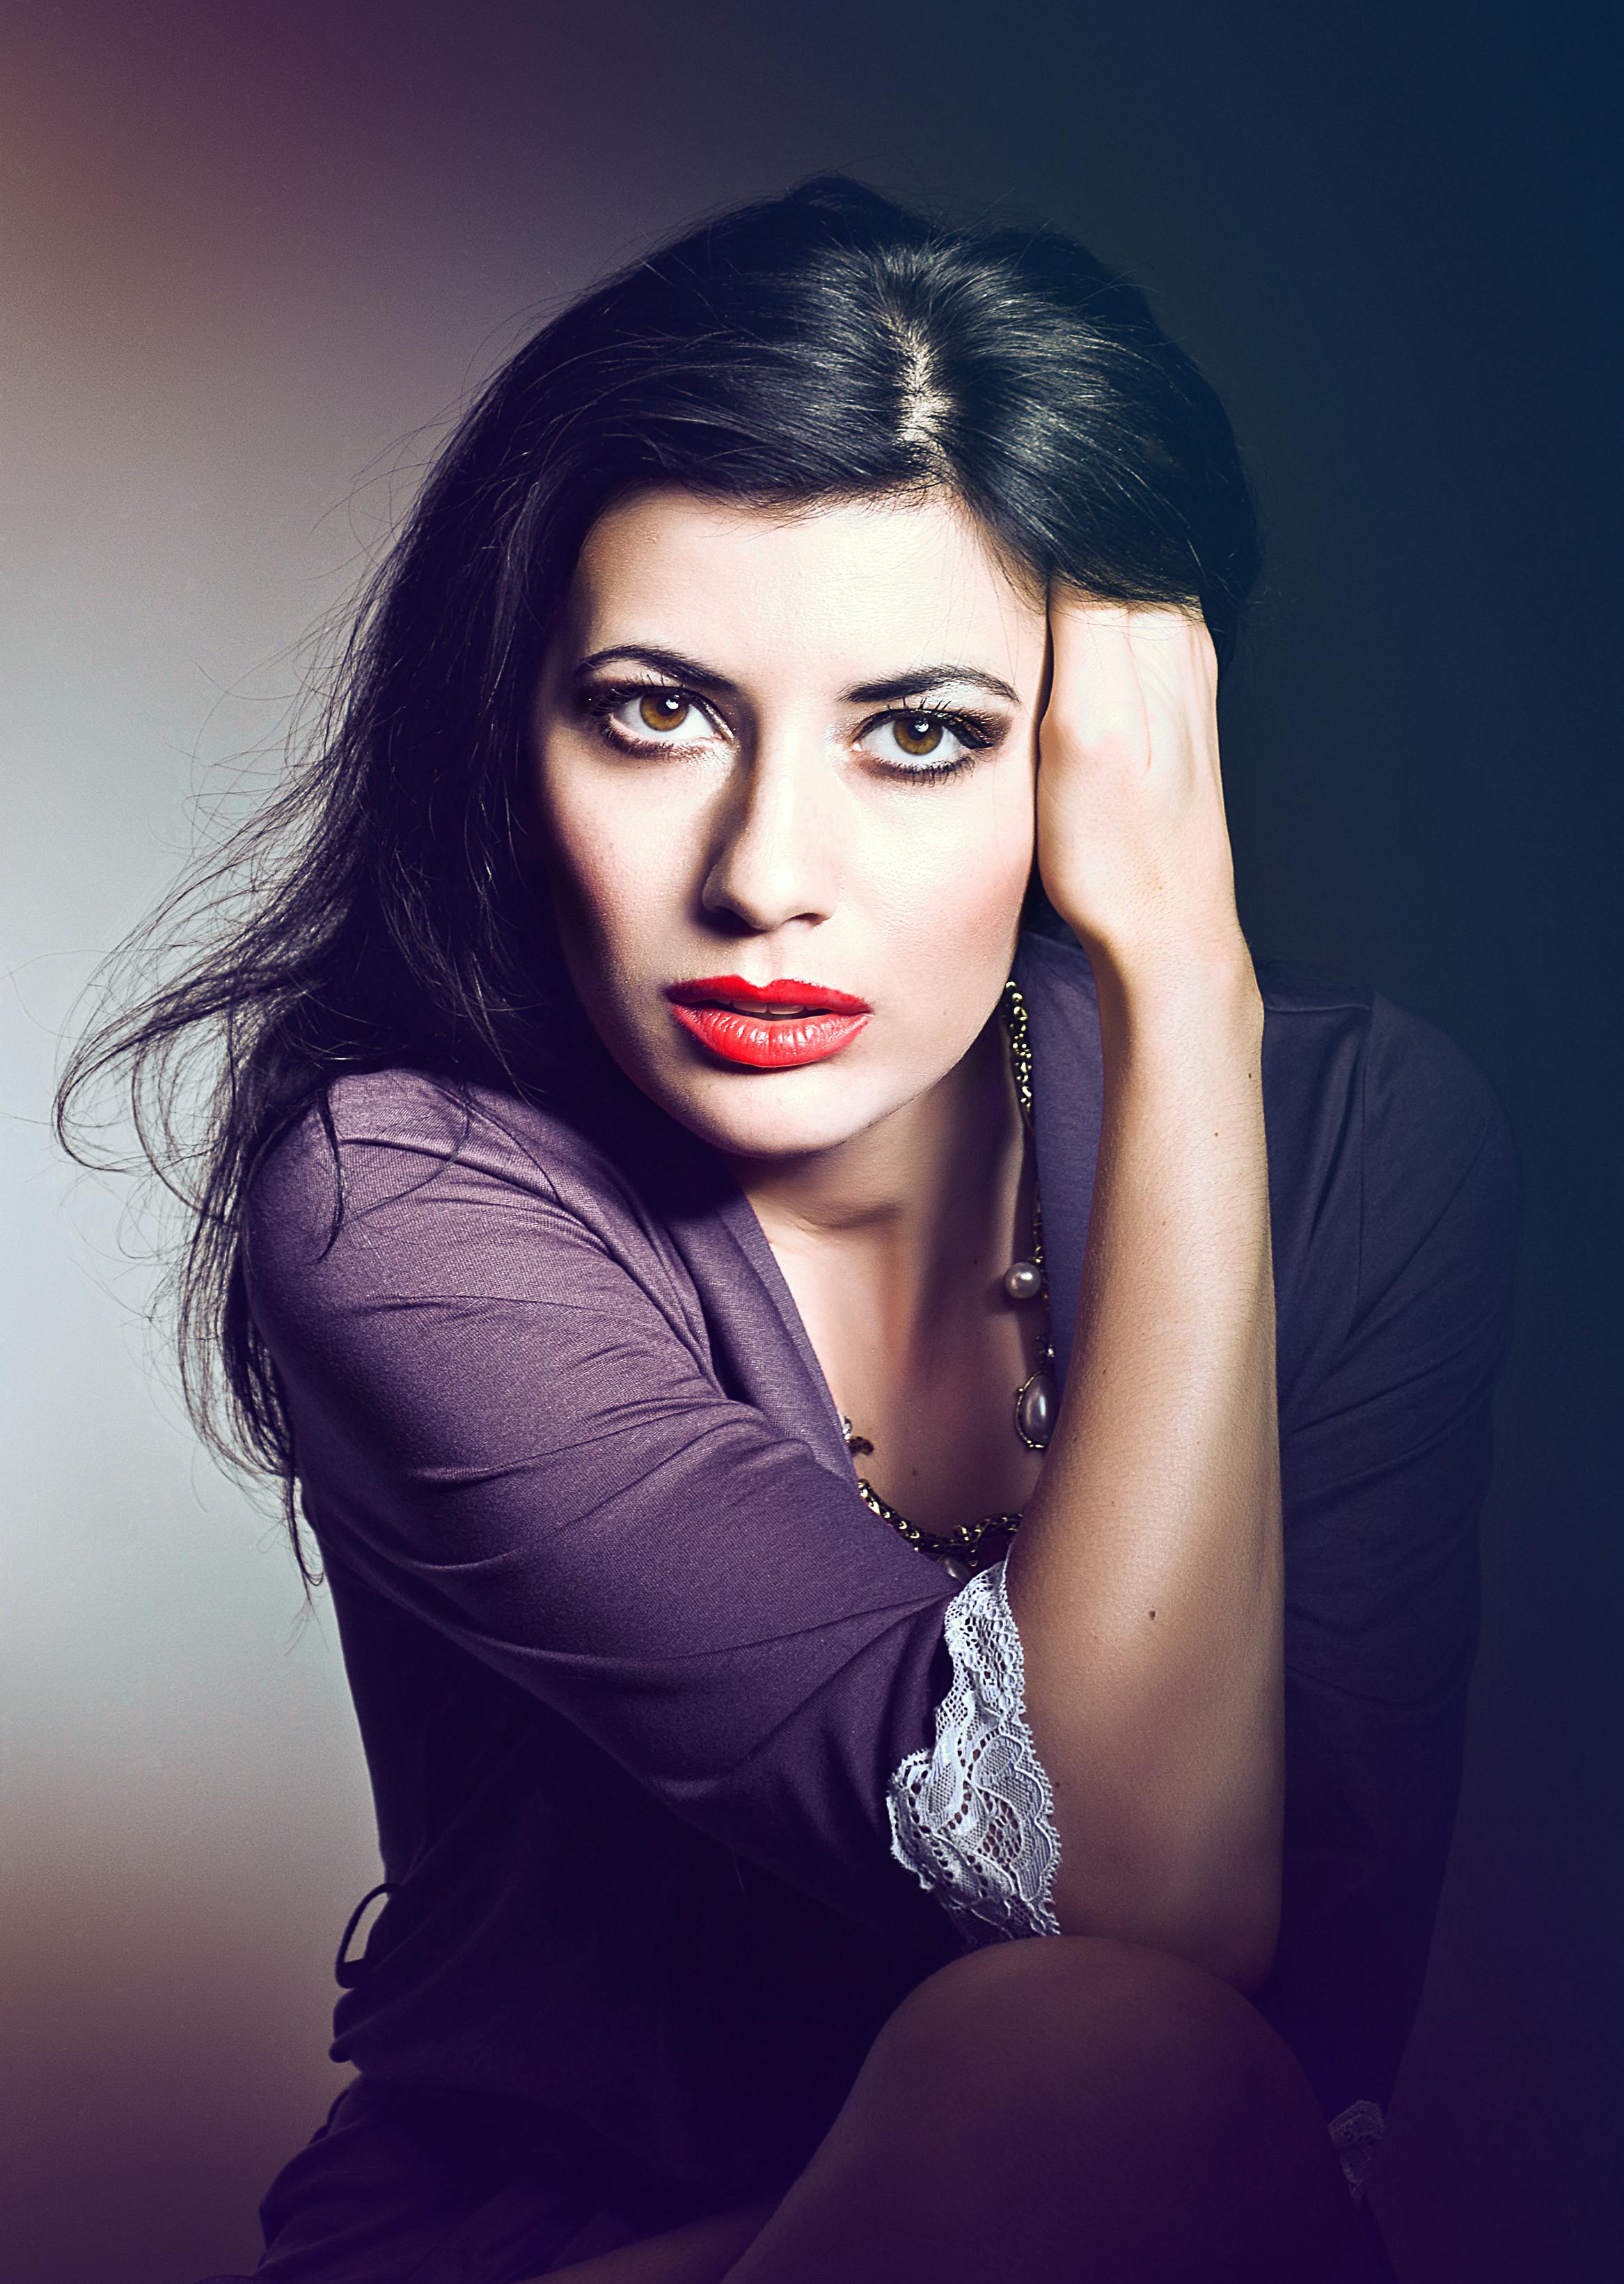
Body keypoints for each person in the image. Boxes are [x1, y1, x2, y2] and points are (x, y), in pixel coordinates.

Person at [60, 177, 1519, 2283]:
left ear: (1113, 761)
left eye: (923, 736)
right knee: (1098, 2064)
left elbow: (1302, 2014)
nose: (767, 871)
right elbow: (1137, 1898)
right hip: (572, 2248)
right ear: (513, 730)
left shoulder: (1373, 1158)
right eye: (657, 709)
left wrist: (1177, 963)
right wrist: (1191, 965)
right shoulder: (411, 1193)